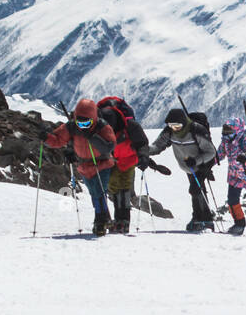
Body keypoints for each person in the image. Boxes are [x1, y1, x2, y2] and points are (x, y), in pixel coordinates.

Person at [44, 99, 118, 236]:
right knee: (95, 193)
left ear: (94, 118)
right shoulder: (72, 127)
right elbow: (58, 140)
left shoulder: (102, 127)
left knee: (99, 192)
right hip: (84, 166)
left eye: (86, 123)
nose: (83, 126)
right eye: (80, 123)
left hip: (101, 164)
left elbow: (109, 146)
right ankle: (104, 218)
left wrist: (92, 137)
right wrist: (45, 137)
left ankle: (100, 221)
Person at [97, 96, 168, 234]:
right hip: (113, 160)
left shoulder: (130, 126)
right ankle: (121, 222)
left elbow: (141, 143)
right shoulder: (105, 126)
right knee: (115, 189)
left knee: (122, 189)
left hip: (126, 160)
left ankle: (122, 221)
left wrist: (143, 157)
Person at [148, 107, 219, 233]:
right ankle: (200, 219)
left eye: (177, 125)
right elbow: (157, 146)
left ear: (184, 122)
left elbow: (211, 152)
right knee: (197, 190)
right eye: (171, 125)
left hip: (203, 164)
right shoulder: (169, 132)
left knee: (196, 189)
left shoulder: (196, 130)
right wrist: (143, 150)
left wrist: (196, 161)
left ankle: (204, 220)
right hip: (188, 167)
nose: (174, 128)